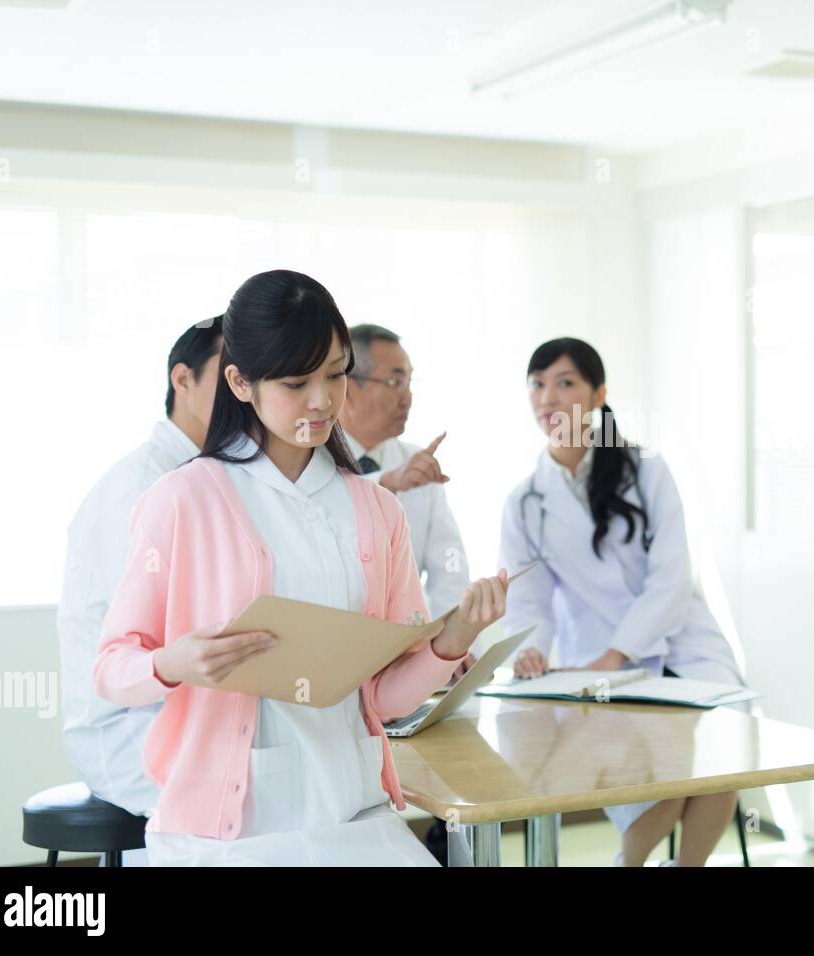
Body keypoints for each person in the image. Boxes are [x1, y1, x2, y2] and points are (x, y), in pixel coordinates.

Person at [93, 270, 509, 866]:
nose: (322, 401)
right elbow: (111, 667)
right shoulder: (182, 499)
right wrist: (172, 662)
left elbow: (384, 698)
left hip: (354, 812)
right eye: (296, 382)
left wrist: (452, 642)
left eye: (335, 375)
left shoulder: (377, 510)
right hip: (230, 833)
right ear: (240, 382)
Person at [498, 337, 744, 867]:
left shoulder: (645, 469)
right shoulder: (525, 501)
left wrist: (619, 654)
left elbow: (673, 575)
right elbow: (530, 599)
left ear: (598, 394)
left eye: (566, 383)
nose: (549, 397)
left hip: (682, 643)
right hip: (592, 656)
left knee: (719, 757)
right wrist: (532, 651)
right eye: (538, 385)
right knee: (663, 771)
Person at [58, 316, 222, 823]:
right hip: (131, 729)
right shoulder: (141, 488)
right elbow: (137, 649)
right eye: (231, 372)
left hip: (193, 713)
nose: (246, 389)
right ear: (183, 380)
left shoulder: (215, 474)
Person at [341, 324, 470, 619]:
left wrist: (454, 643)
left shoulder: (418, 462)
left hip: (410, 645)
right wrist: (387, 483)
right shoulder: (311, 460)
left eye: (410, 382)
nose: (408, 397)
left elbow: (450, 567)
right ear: (347, 389)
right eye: (394, 382)